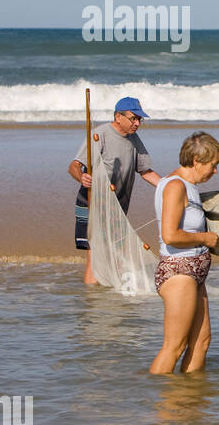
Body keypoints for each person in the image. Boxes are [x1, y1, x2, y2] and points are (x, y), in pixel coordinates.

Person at [148, 132, 219, 375]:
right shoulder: (175, 185)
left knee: (201, 342)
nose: (215, 171)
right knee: (174, 346)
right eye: (213, 165)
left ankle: (189, 402)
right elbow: (170, 235)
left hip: (194, 272)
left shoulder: (188, 186)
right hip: (178, 271)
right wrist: (205, 237)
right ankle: (160, 404)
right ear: (197, 161)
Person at [68, 96, 161, 285]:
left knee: (117, 257)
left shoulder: (134, 139)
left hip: (117, 209)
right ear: (118, 117)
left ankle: (111, 300)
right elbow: (74, 166)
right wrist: (82, 177)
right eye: (133, 118)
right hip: (92, 204)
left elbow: (146, 172)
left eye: (139, 120)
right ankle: (92, 306)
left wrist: (171, 186)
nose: (137, 123)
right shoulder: (99, 134)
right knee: (95, 260)